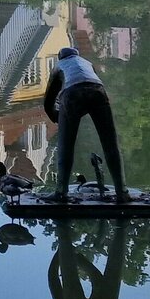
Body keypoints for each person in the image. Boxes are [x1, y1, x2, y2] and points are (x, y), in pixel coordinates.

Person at [43, 45, 127, 201]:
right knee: (111, 144)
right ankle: (122, 192)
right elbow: (90, 85)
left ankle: (61, 192)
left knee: (65, 146)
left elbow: (48, 101)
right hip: (98, 91)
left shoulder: (59, 66)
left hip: (72, 94)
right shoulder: (87, 62)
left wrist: (57, 118)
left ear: (60, 57)